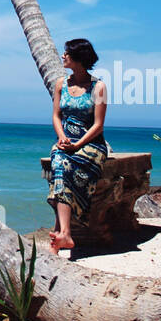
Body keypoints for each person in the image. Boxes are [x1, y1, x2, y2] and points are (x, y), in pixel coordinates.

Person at [48, 38, 108, 254]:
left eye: (67, 53)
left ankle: (61, 235)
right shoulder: (61, 84)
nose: (63, 56)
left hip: (90, 144)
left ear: (79, 58)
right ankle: (64, 234)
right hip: (66, 141)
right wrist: (63, 137)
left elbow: (99, 125)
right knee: (59, 164)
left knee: (65, 168)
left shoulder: (98, 87)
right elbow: (56, 116)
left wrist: (78, 144)